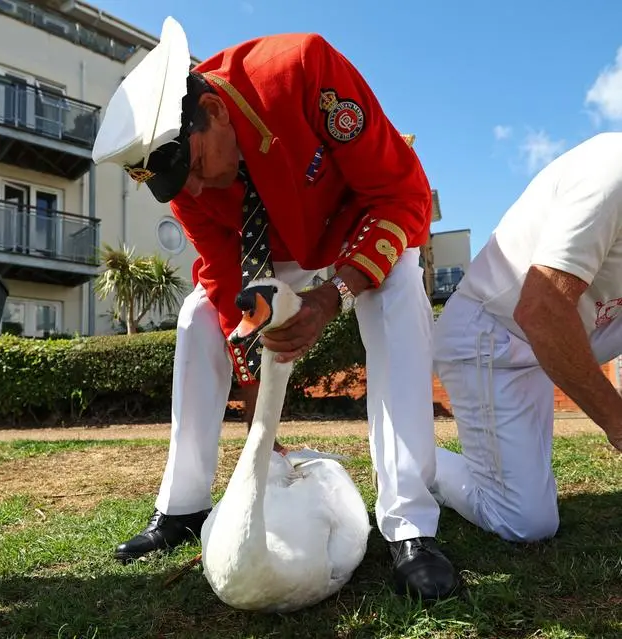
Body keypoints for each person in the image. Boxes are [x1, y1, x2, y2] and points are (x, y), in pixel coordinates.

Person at [91, 17, 460, 601]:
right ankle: (183, 507)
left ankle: (410, 523)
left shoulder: (304, 71)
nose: (193, 193)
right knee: (193, 319)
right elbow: (222, 277)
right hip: (279, 250)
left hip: (358, 222)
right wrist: (253, 392)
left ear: (211, 108)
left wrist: (333, 293)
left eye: (194, 170)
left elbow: (401, 195)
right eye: (174, 186)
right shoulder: (186, 179)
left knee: (397, 295)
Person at [431, 132, 622, 543]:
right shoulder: (611, 171)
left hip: (559, 338)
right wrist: (617, 421)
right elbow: (541, 310)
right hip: (494, 339)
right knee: (527, 522)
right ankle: (416, 462)